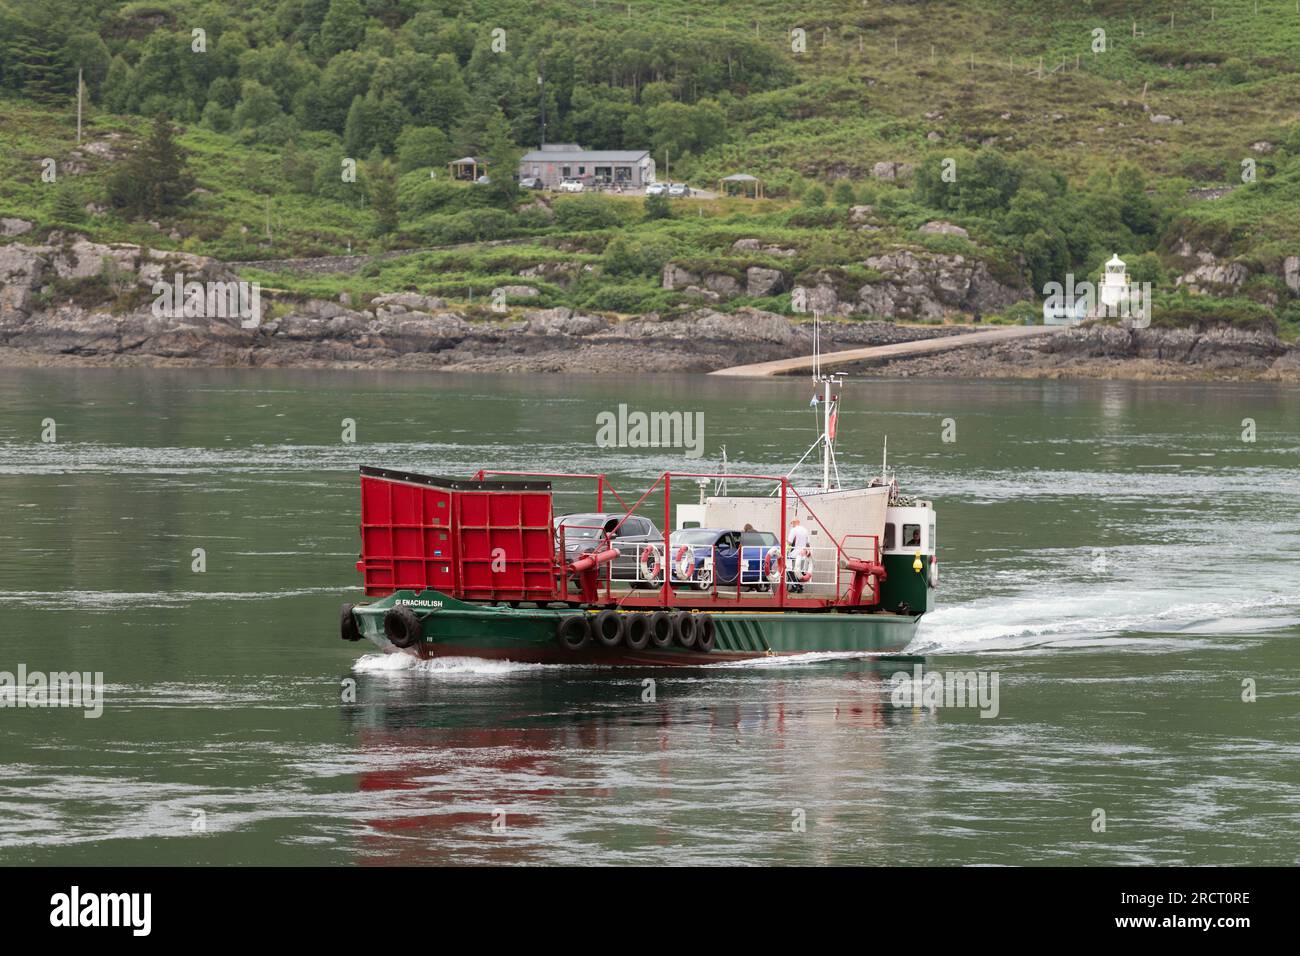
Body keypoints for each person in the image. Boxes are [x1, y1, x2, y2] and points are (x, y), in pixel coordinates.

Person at [786, 518, 810, 593]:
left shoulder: (794, 530)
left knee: (788, 568)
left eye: (792, 523)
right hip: (803, 553)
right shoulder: (805, 530)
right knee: (800, 570)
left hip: (795, 553)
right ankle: (800, 586)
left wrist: (785, 550)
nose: (792, 525)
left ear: (794, 522)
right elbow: (808, 543)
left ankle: (795, 585)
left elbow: (789, 542)